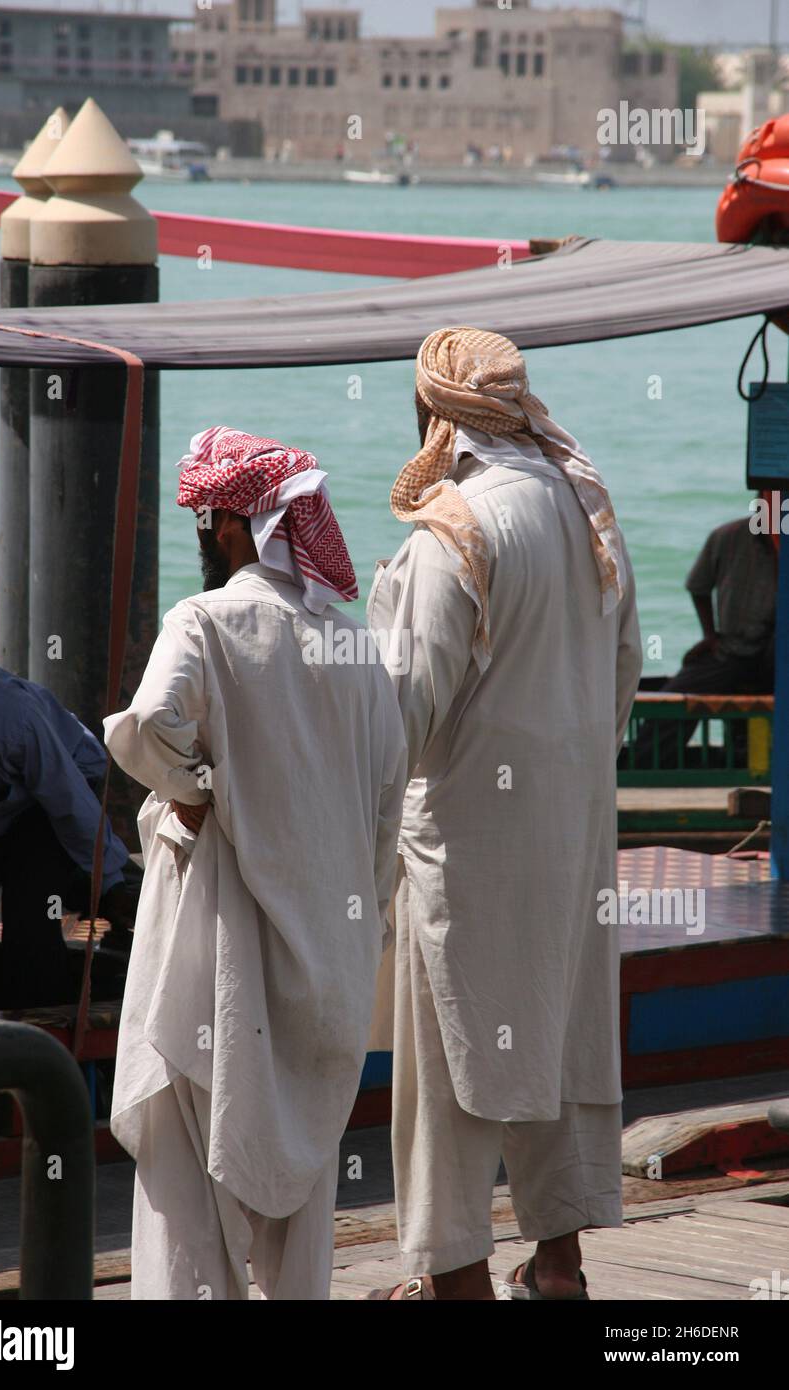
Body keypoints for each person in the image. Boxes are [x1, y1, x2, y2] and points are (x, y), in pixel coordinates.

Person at [366, 328, 642, 1301]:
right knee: (558, 1033)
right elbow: (622, 678)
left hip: (463, 846)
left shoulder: (451, 534)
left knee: (451, 1061)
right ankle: (559, 1263)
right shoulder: (586, 510)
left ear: (431, 415)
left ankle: (453, 1278)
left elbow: (396, 715)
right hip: (570, 836)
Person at [104, 426, 407, 1301]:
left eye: (207, 519)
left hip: (215, 955)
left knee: (186, 1192)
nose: (203, 536)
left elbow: (147, 724)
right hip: (330, 965)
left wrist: (195, 794)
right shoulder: (358, 652)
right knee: (300, 1194)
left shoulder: (206, 621)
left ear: (237, 526)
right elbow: (387, 808)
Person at [0, 663, 133, 1009]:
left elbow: (68, 801)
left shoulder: (2, 717)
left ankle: (40, 1033)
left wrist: (108, 882)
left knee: (31, 917)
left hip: (43, 800)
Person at [628, 504, 777, 771]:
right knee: (673, 702)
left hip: (778, 653)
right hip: (731, 648)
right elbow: (698, 586)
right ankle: (645, 768)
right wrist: (709, 634)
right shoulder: (728, 536)